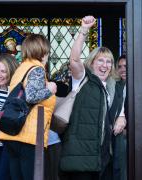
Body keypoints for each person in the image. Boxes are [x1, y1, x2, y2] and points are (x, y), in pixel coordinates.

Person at [59, 16, 126, 180]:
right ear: (91, 62)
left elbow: (120, 107)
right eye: (100, 60)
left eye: (109, 61)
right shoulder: (83, 78)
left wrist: (122, 117)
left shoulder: (113, 86)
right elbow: (74, 60)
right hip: (80, 155)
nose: (105, 65)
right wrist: (84, 30)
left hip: (103, 155)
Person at [0, 34, 57, 180]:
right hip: (29, 137)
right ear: (42, 51)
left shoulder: (21, 68)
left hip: (13, 134)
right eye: (47, 51)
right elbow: (31, 96)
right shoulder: (36, 69)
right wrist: (50, 89)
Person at [112, 54, 127, 180]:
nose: (123, 69)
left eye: (126, 66)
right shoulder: (115, 86)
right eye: (120, 66)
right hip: (117, 135)